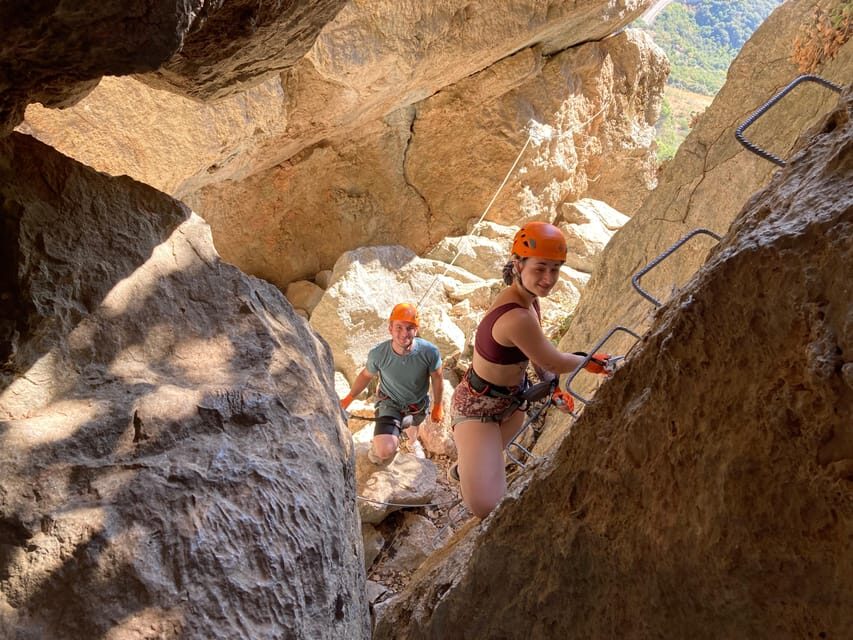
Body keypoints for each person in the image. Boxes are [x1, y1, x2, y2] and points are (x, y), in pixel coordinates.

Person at [449, 221, 610, 518]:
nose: (548, 278)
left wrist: (554, 387)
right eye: (540, 268)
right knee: (488, 507)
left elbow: (539, 360)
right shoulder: (517, 315)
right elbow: (553, 361)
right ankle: (468, 464)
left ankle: (471, 465)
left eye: (555, 269)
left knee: (487, 469)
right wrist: (595, 362)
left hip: (510, 406)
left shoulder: (529, 302)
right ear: (518, 264)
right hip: (477, 412)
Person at [340, 303, 444, 464]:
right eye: (399, 327)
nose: (404, 334)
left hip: (417, 404)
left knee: (413, 425)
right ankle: (384, 442)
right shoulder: (379, 354)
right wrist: (349, 397)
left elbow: (437, 378)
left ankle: (412, 442)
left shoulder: (429, 352)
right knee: (384, 451)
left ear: (416, 330)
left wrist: (438, 405)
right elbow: (365, 375)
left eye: (410, 328)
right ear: (390, 328)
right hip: (390, 402)